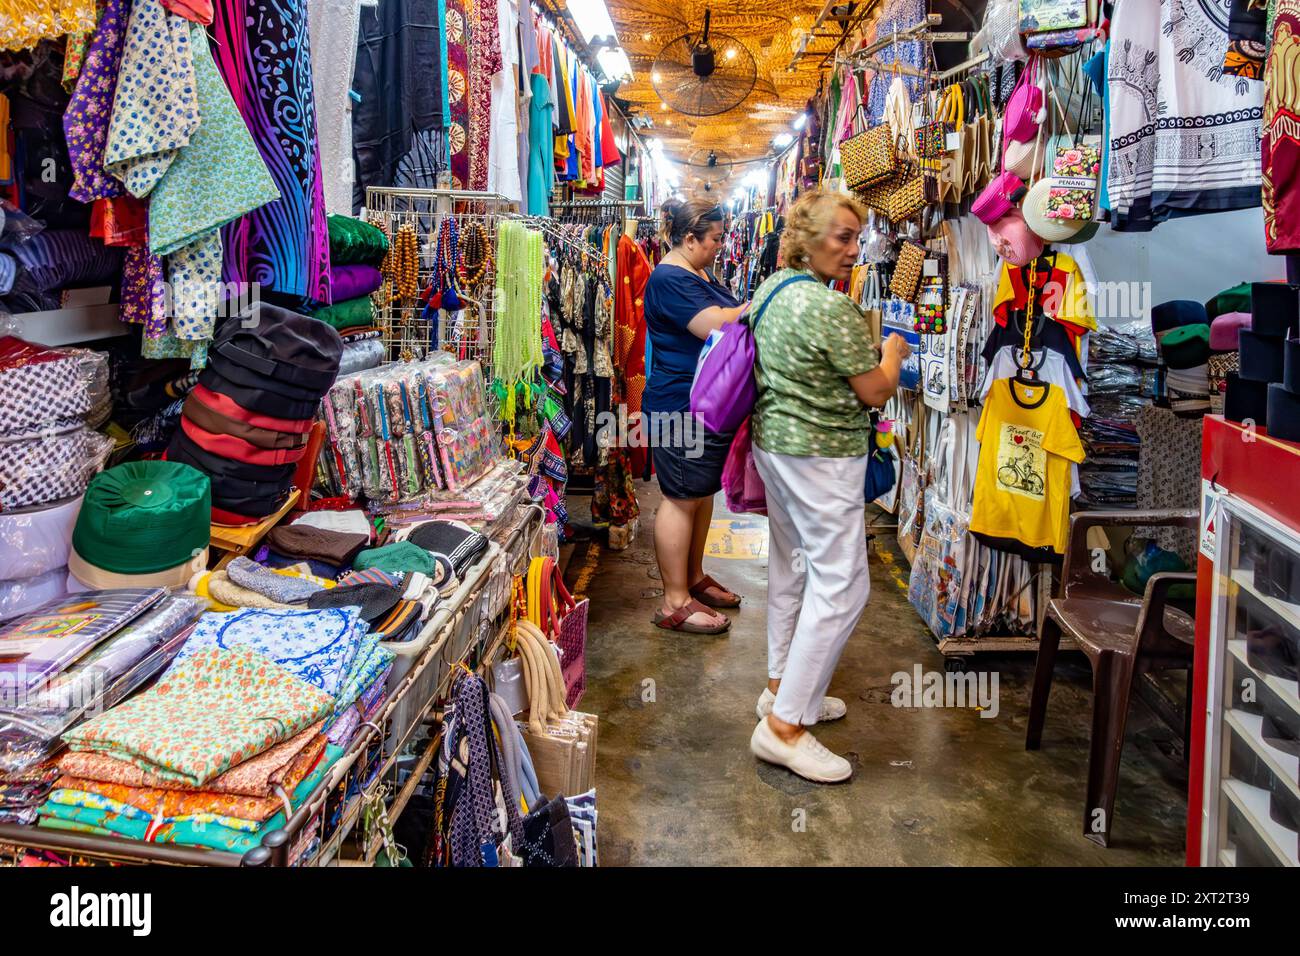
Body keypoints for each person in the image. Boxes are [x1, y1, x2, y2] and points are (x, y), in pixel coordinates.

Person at [746, 189, 911, 783]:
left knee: (791, 568)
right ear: (807, 239)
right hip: (821, 456)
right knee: (843, 585)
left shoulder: (770, 289)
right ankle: (785, 728)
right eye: (842, 237)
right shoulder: (831, 308)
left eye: (855, 237)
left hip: (777, 448)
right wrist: (891, 353)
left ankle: (780, 689)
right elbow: (873, 391)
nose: (853, 249)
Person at [642, 198, 748, 635]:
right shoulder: (669, 279)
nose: (722, 246)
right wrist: (765, 301)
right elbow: (716, 326)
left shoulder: (695, 270)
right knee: (680, 498)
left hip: (700, 403)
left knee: (699, 493)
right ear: (689, 239)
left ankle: (693, 578)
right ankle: (674, 600)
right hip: (677, 404)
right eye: (716, 239)